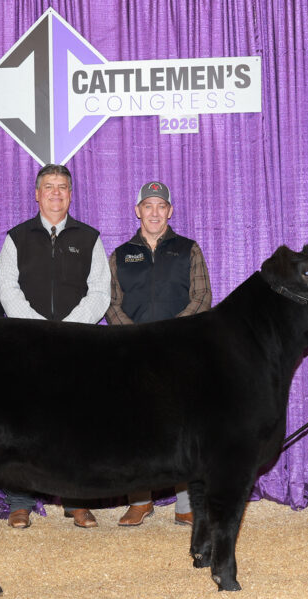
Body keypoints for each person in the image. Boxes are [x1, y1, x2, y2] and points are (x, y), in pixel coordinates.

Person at [0, 163, 111, 529]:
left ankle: (77, 500)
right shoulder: (16, 237)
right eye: (49, 187)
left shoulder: (90, 237)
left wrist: (67, 330)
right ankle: (19, 501)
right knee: (23, 425)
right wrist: (39, 330)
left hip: (76, 347)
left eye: (63, 187)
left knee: (76, 425)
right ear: (37, 194)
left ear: (71, 194)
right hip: (27, 346)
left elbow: (100, 292)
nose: (56, 193)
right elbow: (7, 287)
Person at [106, 181, 212, 527]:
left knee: (183, 429)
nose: (154, 212)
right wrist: (136, 336)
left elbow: (201, 298)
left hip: (179, 352)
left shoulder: (188, 249)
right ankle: (140, 500)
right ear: (137, 210)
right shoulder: (120, 254)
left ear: (170, 211)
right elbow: (110, 302)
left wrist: (169, 335)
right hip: (132, 352)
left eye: (160, 206)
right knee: (138, 429)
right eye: (147, 206)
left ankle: (185, 502)